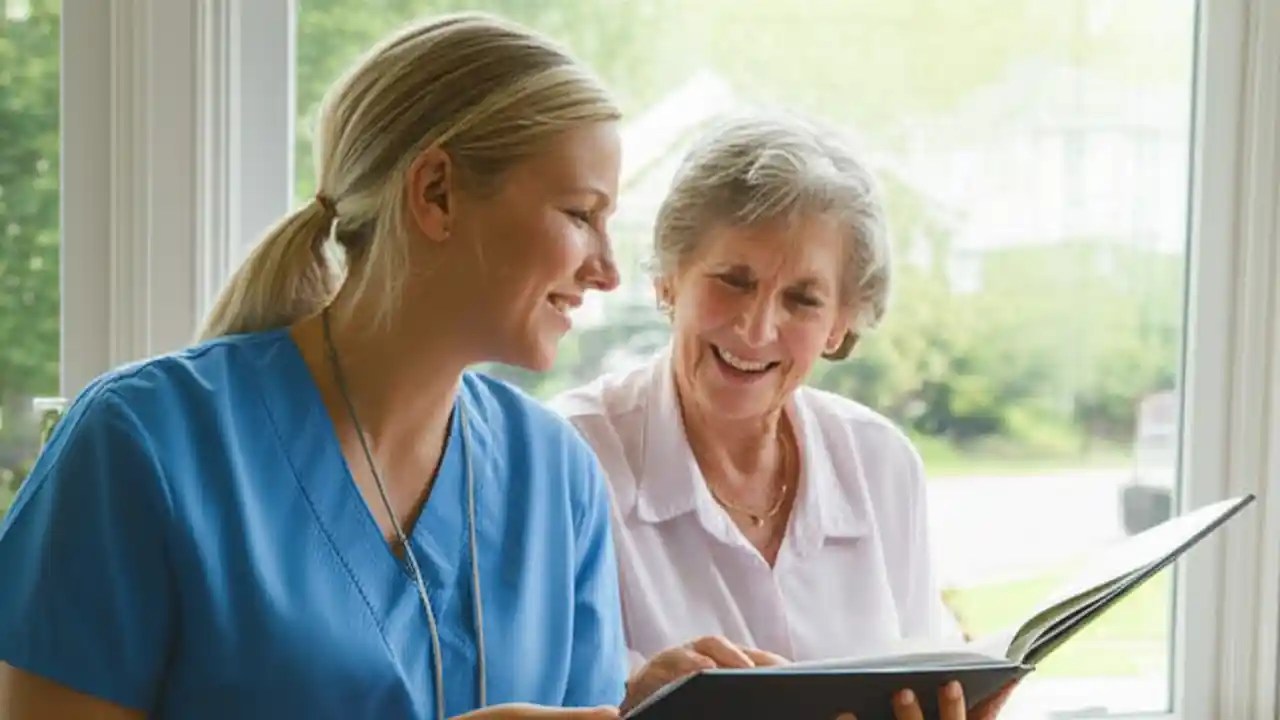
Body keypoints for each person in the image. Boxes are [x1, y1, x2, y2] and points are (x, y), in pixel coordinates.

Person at [0, 13, 630, 720]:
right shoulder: (139, 442)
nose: (607, 271)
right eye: (580, 214)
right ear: (436, 193)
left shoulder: (557, 479)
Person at [552, 115, 1014, 719]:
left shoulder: (881, 461)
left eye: (803, 299)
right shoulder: (567, 456)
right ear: (669, 280)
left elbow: (925, 670)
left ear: (841, 322)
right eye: (733, 281)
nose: (757, 328)